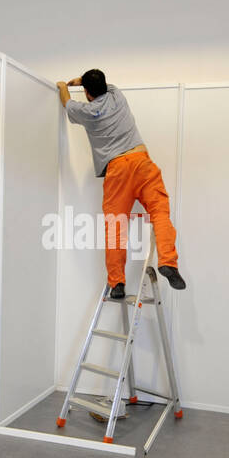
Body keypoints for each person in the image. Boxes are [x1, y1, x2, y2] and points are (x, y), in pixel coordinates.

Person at [57, 69, 186, 299]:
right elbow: (102, 86)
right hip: (142, 162)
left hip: (117, 170)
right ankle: (169, 261)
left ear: (87, 93)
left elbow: (67, 104)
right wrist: (82, 80)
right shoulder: (117, 94)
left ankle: (117, 284)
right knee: (160, 213)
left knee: (116, 226)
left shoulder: (87, 111)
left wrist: (64, 86)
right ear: (105, 85)